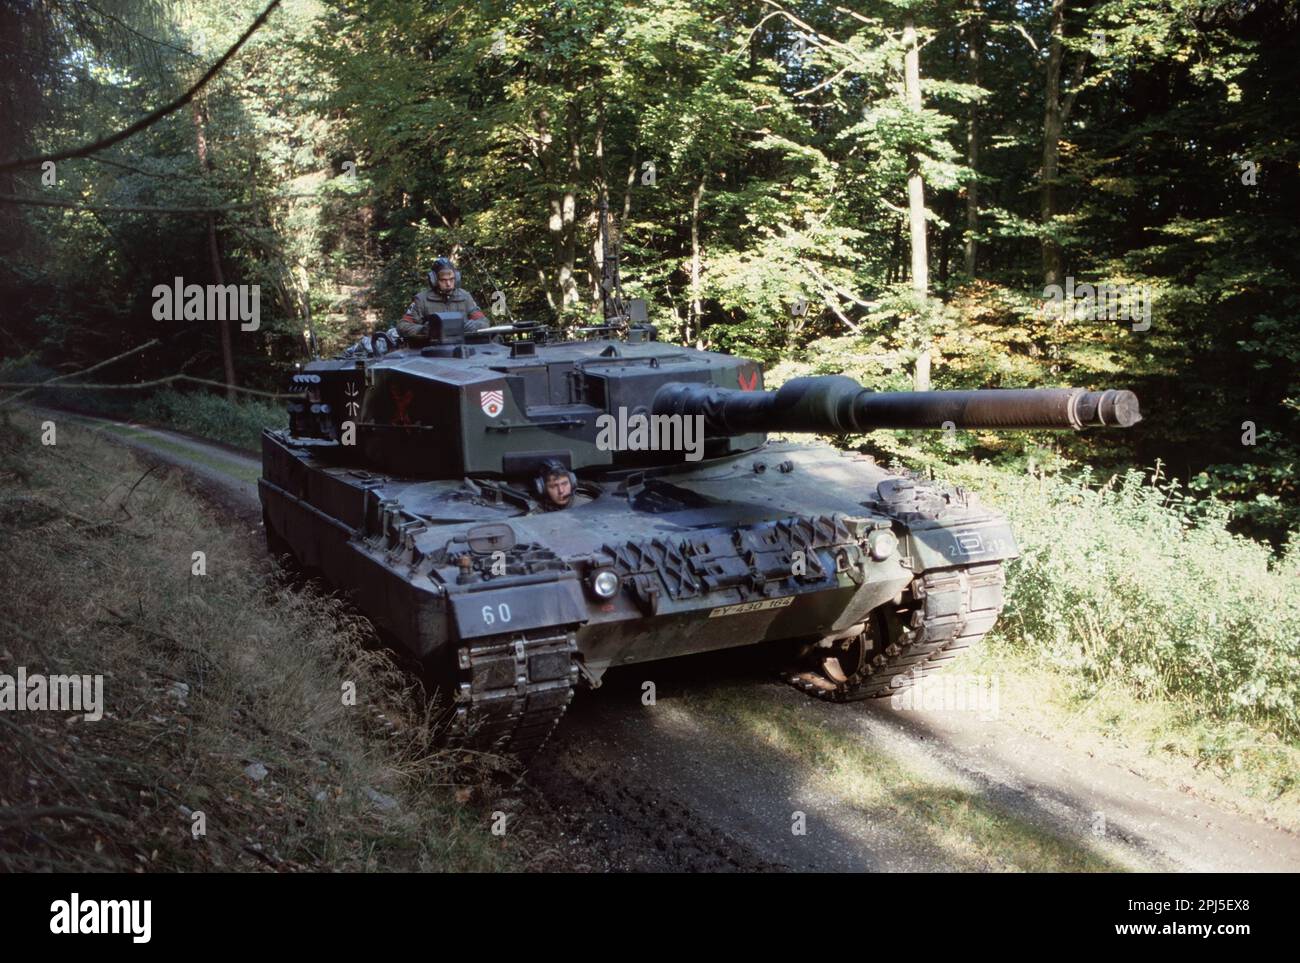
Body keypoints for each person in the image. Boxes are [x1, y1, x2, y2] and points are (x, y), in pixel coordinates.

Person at [396, 257, 488, 345]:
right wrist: (422, 330)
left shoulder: (465, 297)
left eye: (451, 279)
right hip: (431, 348)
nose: (448, 284)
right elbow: (403, 326)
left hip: (463, 346)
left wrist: (475, 325)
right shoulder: (421, 300)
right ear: (434, 280)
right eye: (443, 280)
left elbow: (484, 321)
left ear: (456, 278)